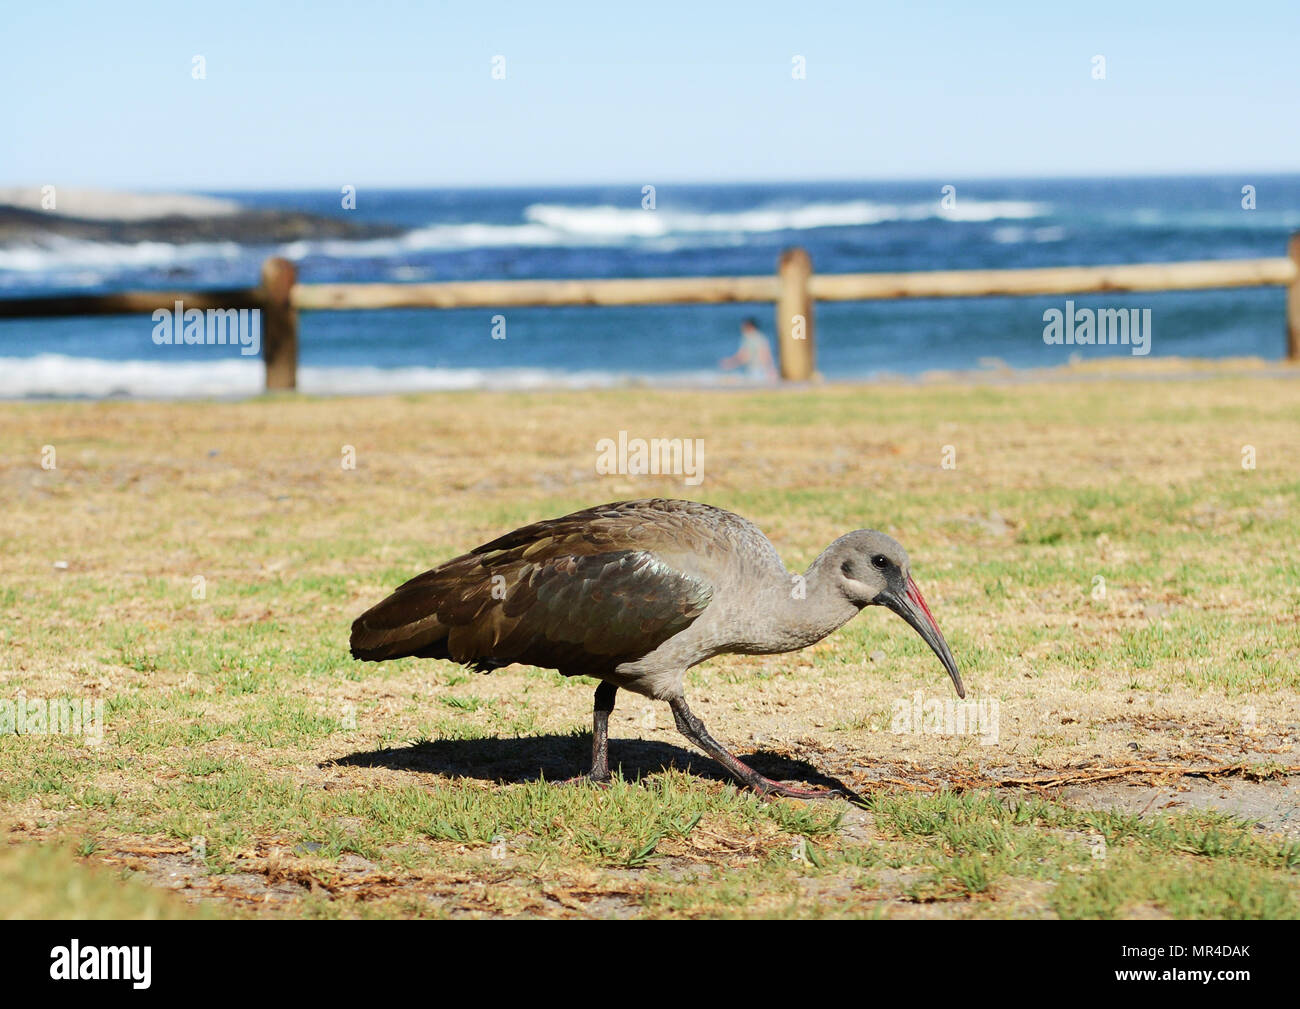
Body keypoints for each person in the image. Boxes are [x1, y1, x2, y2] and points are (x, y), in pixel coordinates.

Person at [719, 317, 778, 383]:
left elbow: (745, 355)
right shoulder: (759, 337)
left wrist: (730, 363)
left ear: (750, 326)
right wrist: (770, 369)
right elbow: (766, 354)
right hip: (759, 370)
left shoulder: (751, 338)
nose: (742, 328)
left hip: (756, 370)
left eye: (744, 326)